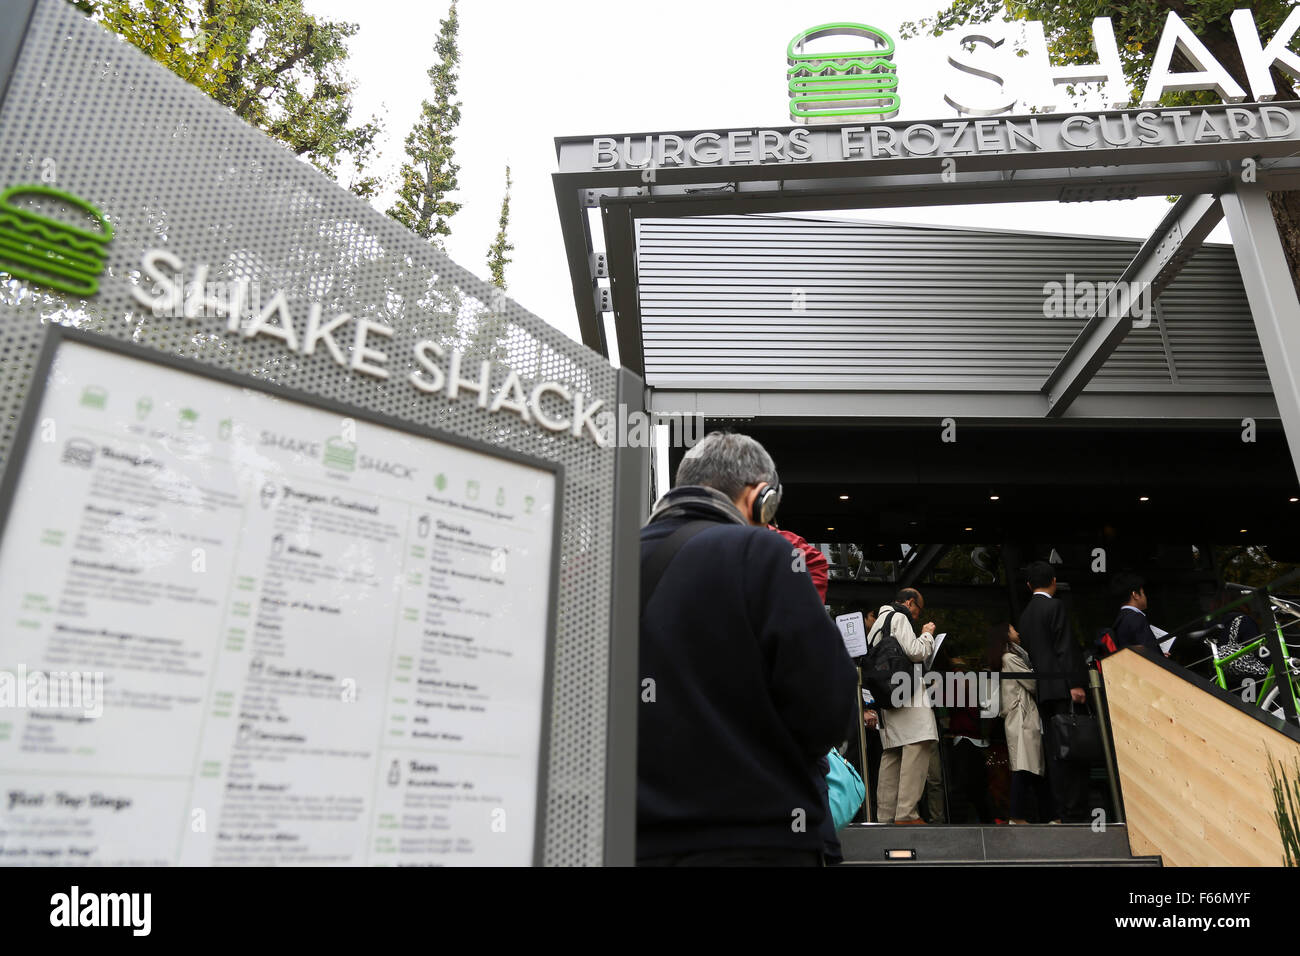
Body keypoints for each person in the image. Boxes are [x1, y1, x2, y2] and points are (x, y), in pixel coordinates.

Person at [637, 431, 858, 866]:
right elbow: (829, 710)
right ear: (763, 498)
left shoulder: (599, 564)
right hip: (758, 840)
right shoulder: (767, 554)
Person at [1017, 561, 1089, 823]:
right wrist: (1076, 683)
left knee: (1056, 752)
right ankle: (1076, 812)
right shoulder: (1055, 606)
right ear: (1053, 581)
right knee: (1075, 750)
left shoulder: (1024, 616)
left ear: (1028, 585)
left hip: (1043, 691)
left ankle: (1061, 813)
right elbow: (1065, 647)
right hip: (1063, 689)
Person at [866, 587, 937, 824]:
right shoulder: (899, 617)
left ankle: (885, 816)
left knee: (892, 753)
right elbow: (915, 652)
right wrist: (927, 635)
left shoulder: (876, 624)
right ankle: (906, 814)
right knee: (918, 744)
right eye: (918, 609)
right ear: (909, 603)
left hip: (887, 697)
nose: (917, 616)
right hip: (907, 695)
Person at [986, 623, 1048, 824]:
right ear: (1006, 634)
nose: (1018, 633)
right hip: (1022, 717)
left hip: (1018, 718)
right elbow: (1032, 683)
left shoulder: (1004, 658)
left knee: (1030, 768)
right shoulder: (1011, 658)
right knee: (1025, 767)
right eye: (1013, 629)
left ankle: (1048, 815)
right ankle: (1018, 815)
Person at [1111, 572, 1164, 656]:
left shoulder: (1121, 619)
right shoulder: (1136, 618)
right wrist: (1160, 657)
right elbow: (1149, 653)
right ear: (1135, 595)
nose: (1145, 597)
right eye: (1143, 593)